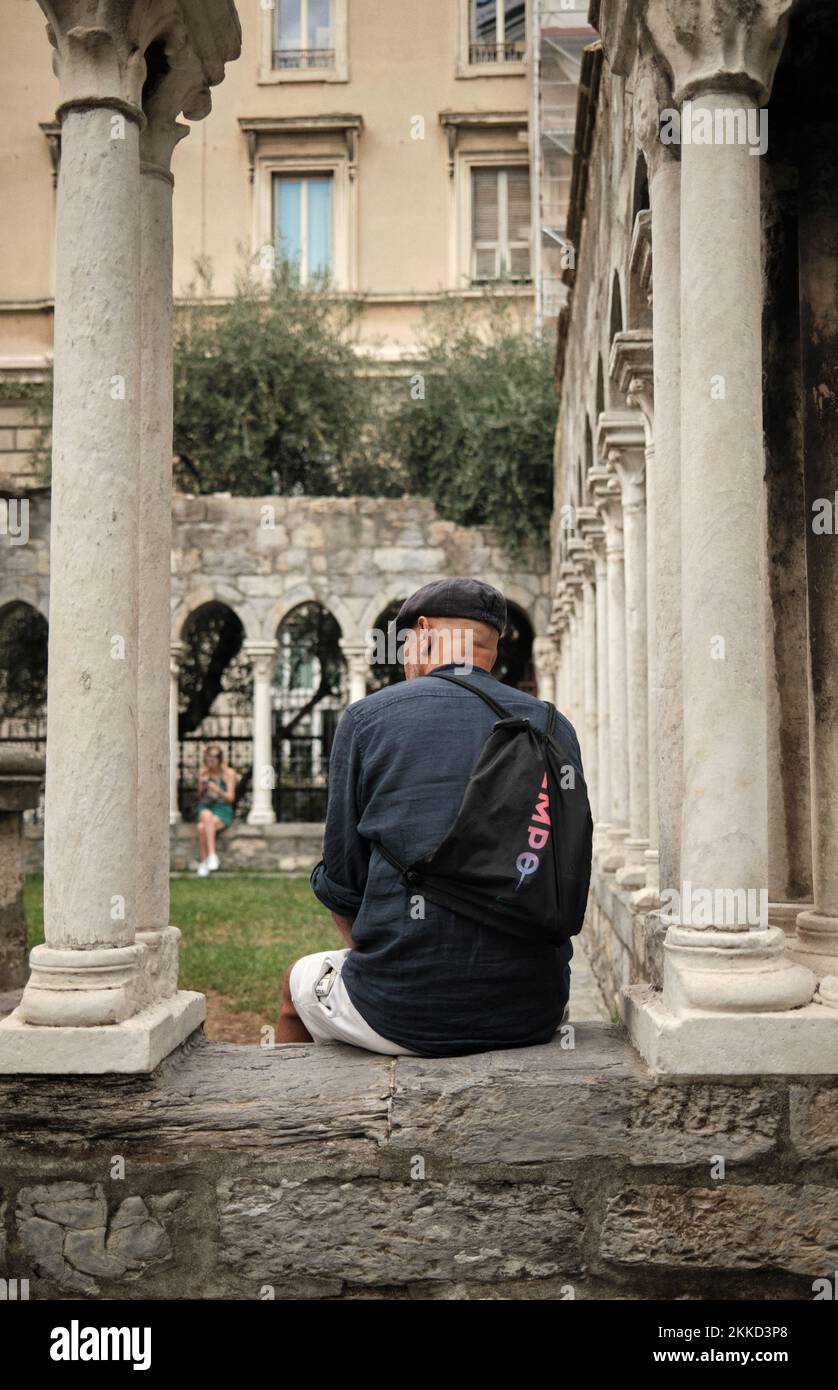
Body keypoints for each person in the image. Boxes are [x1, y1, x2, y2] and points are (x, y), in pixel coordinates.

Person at [277, 577, 585, 1057]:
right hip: (535, 1008)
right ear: (492, 645)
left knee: (295, 987)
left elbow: (342, 885)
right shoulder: (551, 725)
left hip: (400, 1010)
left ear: (421, 633)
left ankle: (289, 1114)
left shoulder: (367, 719)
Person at [195, 744, 237, 878]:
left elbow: (230, 797)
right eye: (208, 759)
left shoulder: (228, 773)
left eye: (213, 759)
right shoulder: (203, 772)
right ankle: (212, 855)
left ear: (220, 759)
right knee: (206, 815)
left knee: (201, 828)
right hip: (206, 806)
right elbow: (199, 795)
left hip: (222, 808)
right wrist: (202, 784)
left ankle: (204, 861)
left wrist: (216, 789)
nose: (210, 762)